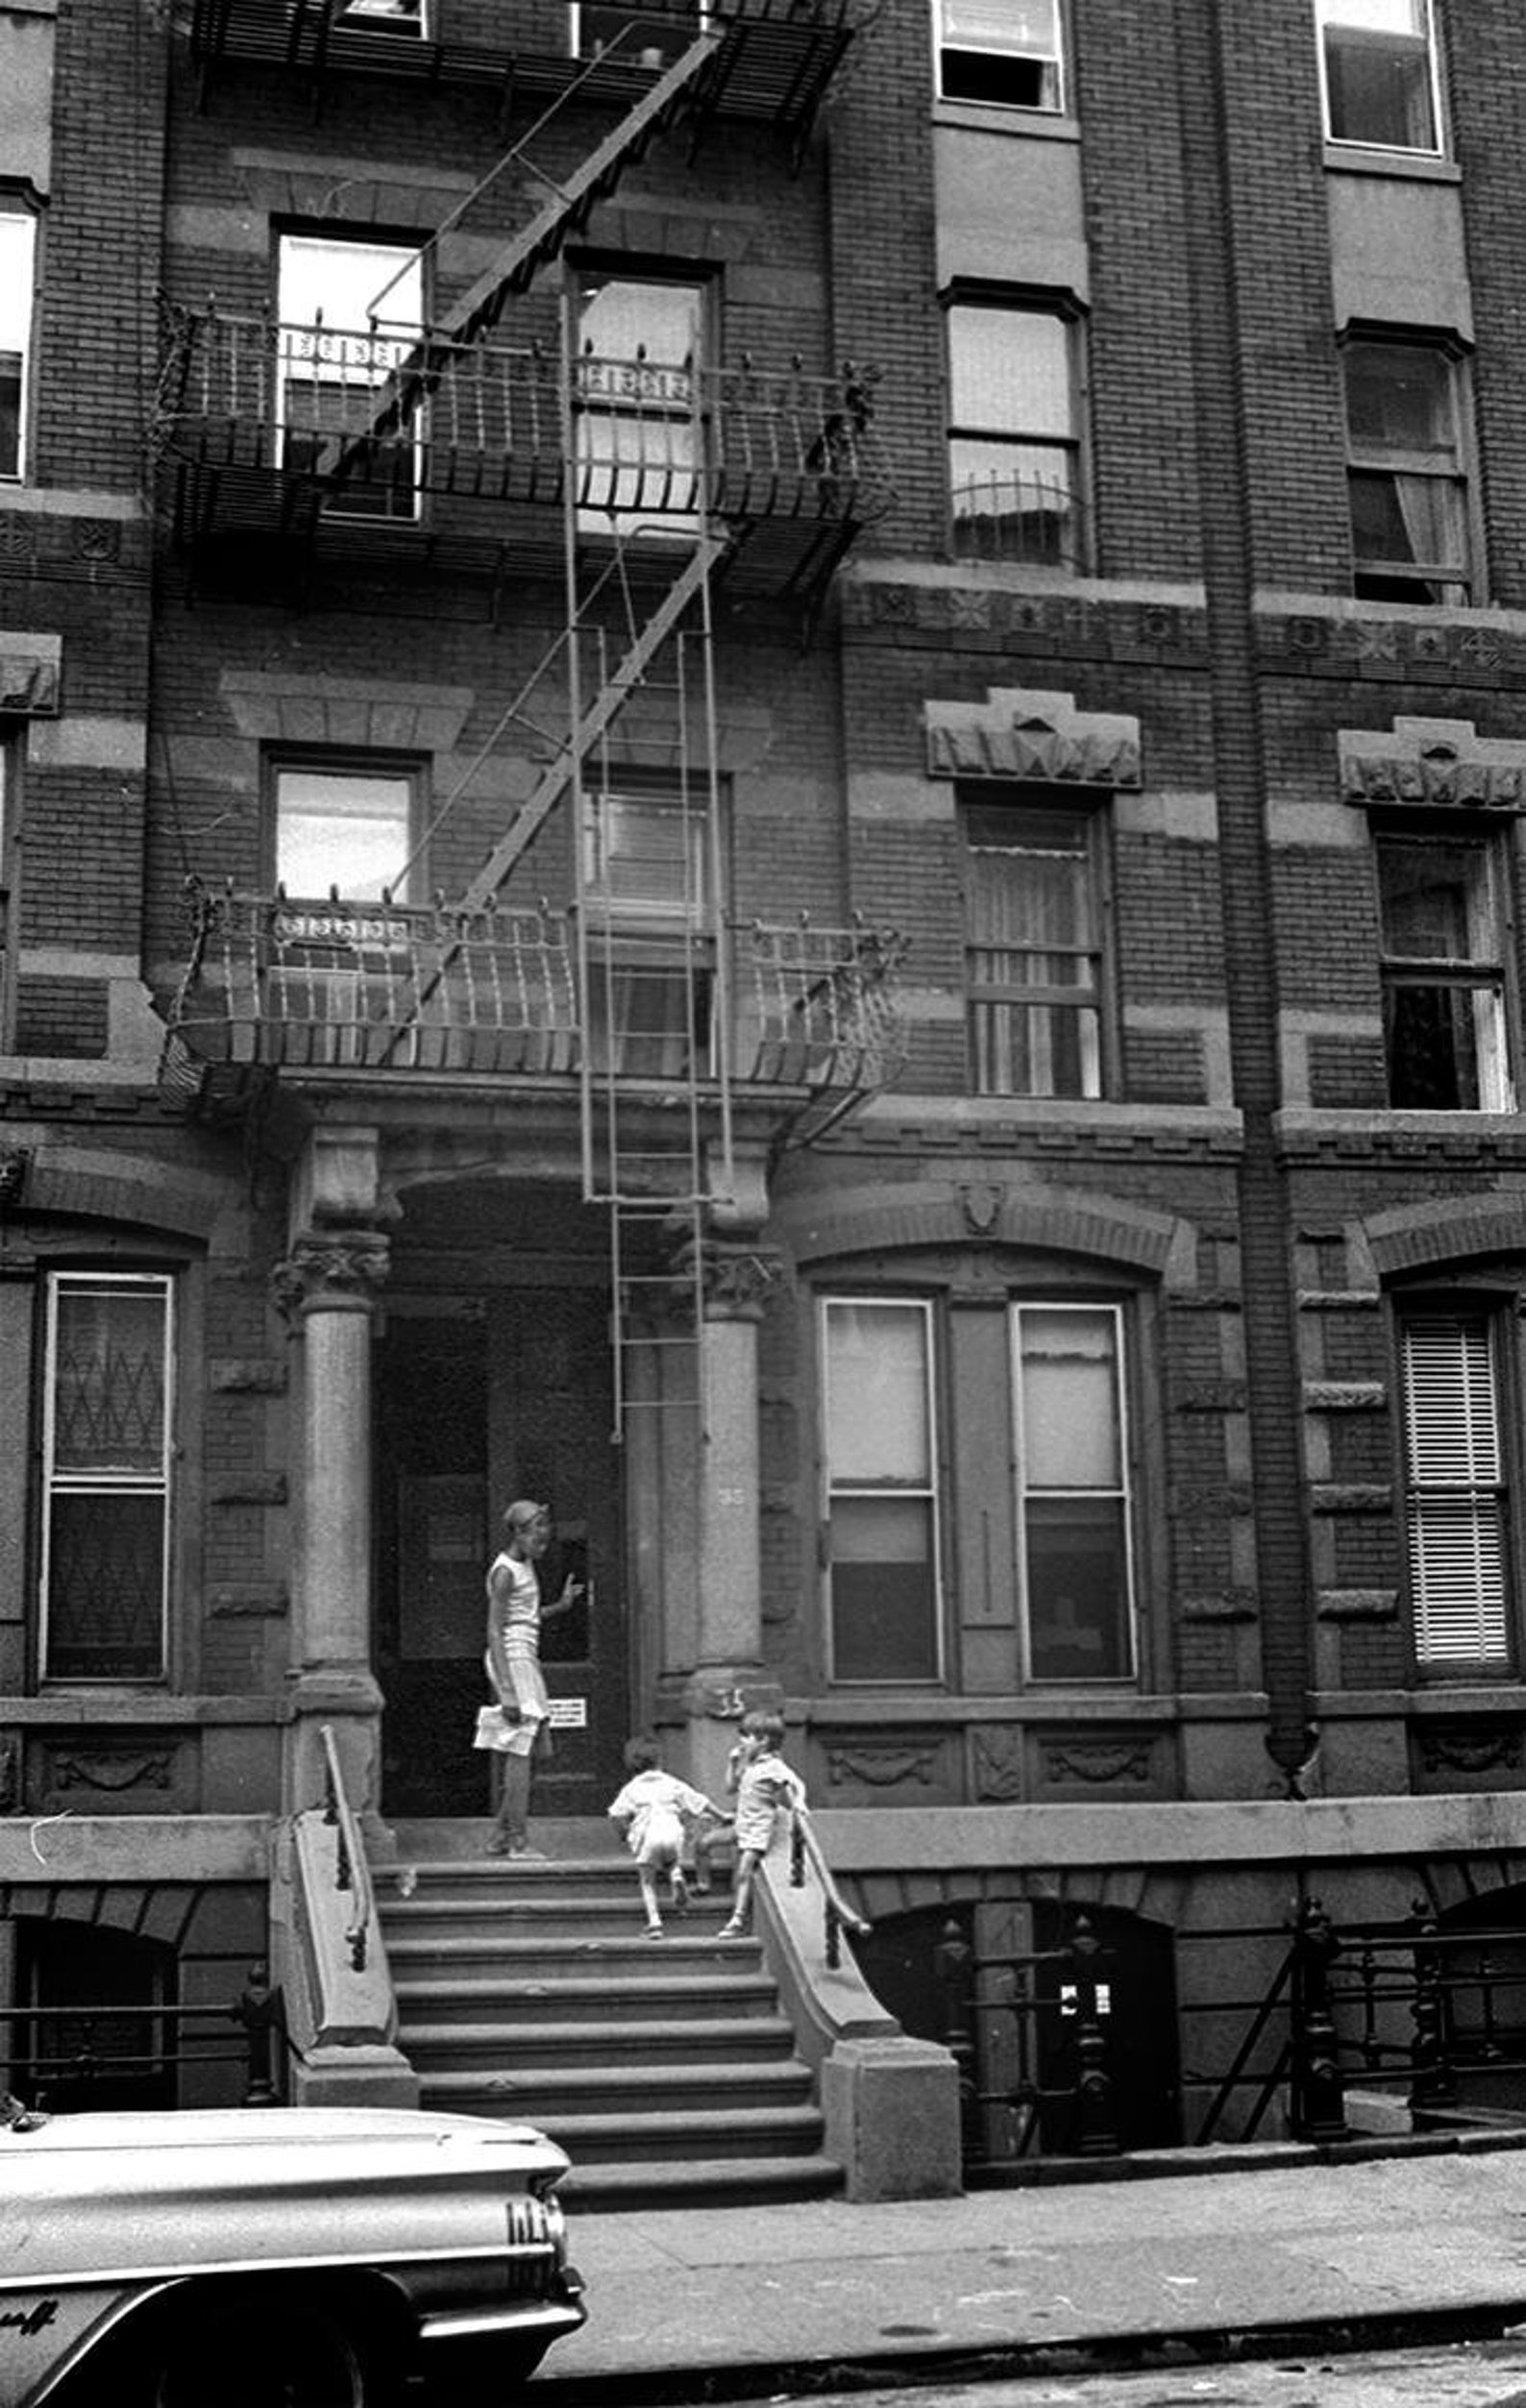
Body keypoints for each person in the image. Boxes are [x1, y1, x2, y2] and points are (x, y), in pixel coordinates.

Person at [478, 1500, 582, 1857]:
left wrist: (560, 1606)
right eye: (536, 1533)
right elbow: (495, 1630)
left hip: (526, 1655)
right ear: (519, 1532)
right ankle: (517, 1842)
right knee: (521, 1747)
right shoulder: (504, 1572)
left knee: (535, 1746)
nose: (543, 1540)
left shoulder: (524, 1565)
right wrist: (506, 1690)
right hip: (513, 1657)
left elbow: (525, 1616)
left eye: (545, 1532)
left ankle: (499, 1836)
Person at [605, 1735, 730, 1938]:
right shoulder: (671, 1783)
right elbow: (699, 1801)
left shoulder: (631, 1788)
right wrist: (722, 1815)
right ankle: (676, 1876)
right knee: (672, 1860)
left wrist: (625, 1833)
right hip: (673, 1831)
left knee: (647, 1881)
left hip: (648, 1835)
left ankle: (654, 1923)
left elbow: (615, 1814)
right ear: (659, 1760)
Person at [717, 1708, 806, 1940]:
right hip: (742, 1825)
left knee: (744, 1871)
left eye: (746, 1737)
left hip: (757, 1830)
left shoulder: (774, 1767)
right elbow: (730, 1787)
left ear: (763, 1741)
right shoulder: (751, 1764)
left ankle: (737, 1919)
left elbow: (796, 1783)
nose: (742, 1742)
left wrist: (799, 1803)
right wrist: (732, 1762)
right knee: (706, 1843)